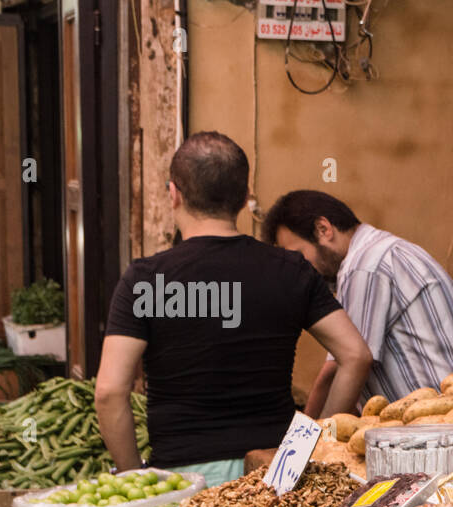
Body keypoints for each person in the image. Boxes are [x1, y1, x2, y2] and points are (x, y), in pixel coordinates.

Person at [95, 132, 372, 487]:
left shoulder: (146, 280)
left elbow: (108, 392)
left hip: (182, 480)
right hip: (274, 475)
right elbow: (356, 355)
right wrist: (311, 449)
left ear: (173, 193)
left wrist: (134, 479)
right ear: (245, 198)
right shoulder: (290, 270)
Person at [263, 190, 453, 416]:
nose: (301, 269)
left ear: (323, 229)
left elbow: (348, 362)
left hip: (440, 426)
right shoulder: (384, 251)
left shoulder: (365, 266)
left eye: (299, 255)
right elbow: (337, 368)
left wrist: (312, 442)